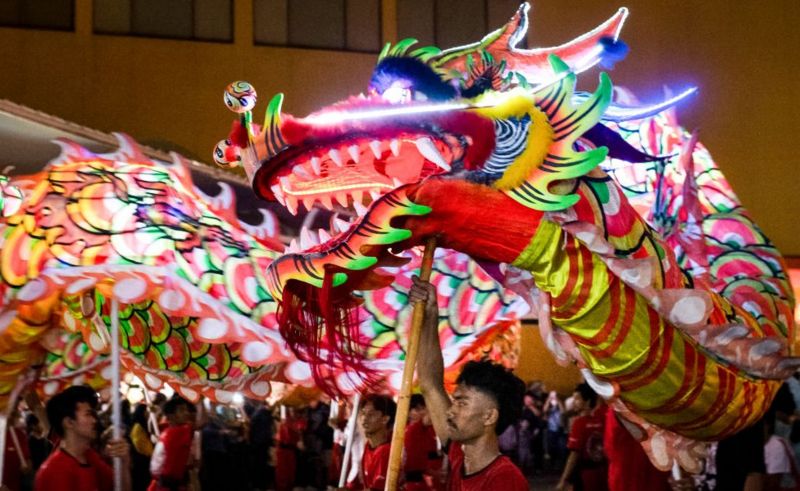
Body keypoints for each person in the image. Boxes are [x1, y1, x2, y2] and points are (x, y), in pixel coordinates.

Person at [412, 275, 529, 491]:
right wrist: (429, 314)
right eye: (455, 401)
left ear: (489, 416)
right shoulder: (459, 455)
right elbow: (430, 384)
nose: (450, 411)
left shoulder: (505, 479)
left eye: (462, 403)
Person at [34, 385, 131, 491]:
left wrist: (123, 462)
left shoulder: (90, 457)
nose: (94, 421)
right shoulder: (55, 471)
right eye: (88, 414)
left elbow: (119, 487)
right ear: (69, 422)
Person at [557, 383, 608, 491]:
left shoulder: (580, 423)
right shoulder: (604, 419)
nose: (574, 402)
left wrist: (563, 480)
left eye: (577, 399)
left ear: (587, 401)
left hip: (585, 474)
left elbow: (574, 455)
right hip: (604, 472)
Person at [148, 396, 195, 491]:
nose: (186, 413)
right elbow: (155, 469)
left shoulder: (181, 430)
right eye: (181, 410)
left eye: (186, 410)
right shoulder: (174, 433)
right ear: (171, 416)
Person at [350, 394, 396, 491]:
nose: (364, 419)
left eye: (371, 414)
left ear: (385, 419)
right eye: (363, 413)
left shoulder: (386, 451)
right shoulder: (369, 446)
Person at [403, 394, 444, 490]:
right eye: (418, 409)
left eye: (424, 408)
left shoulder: (424, 430)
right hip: (414, 483)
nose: (423, 412)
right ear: (408, 413)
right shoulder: (413, 429)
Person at [129, 403, 154, 491]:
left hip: (143, 463)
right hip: (141, 465)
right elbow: (143, 448)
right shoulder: (138, 428)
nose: (148, 414)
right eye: (146, 412)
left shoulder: (142, 425)